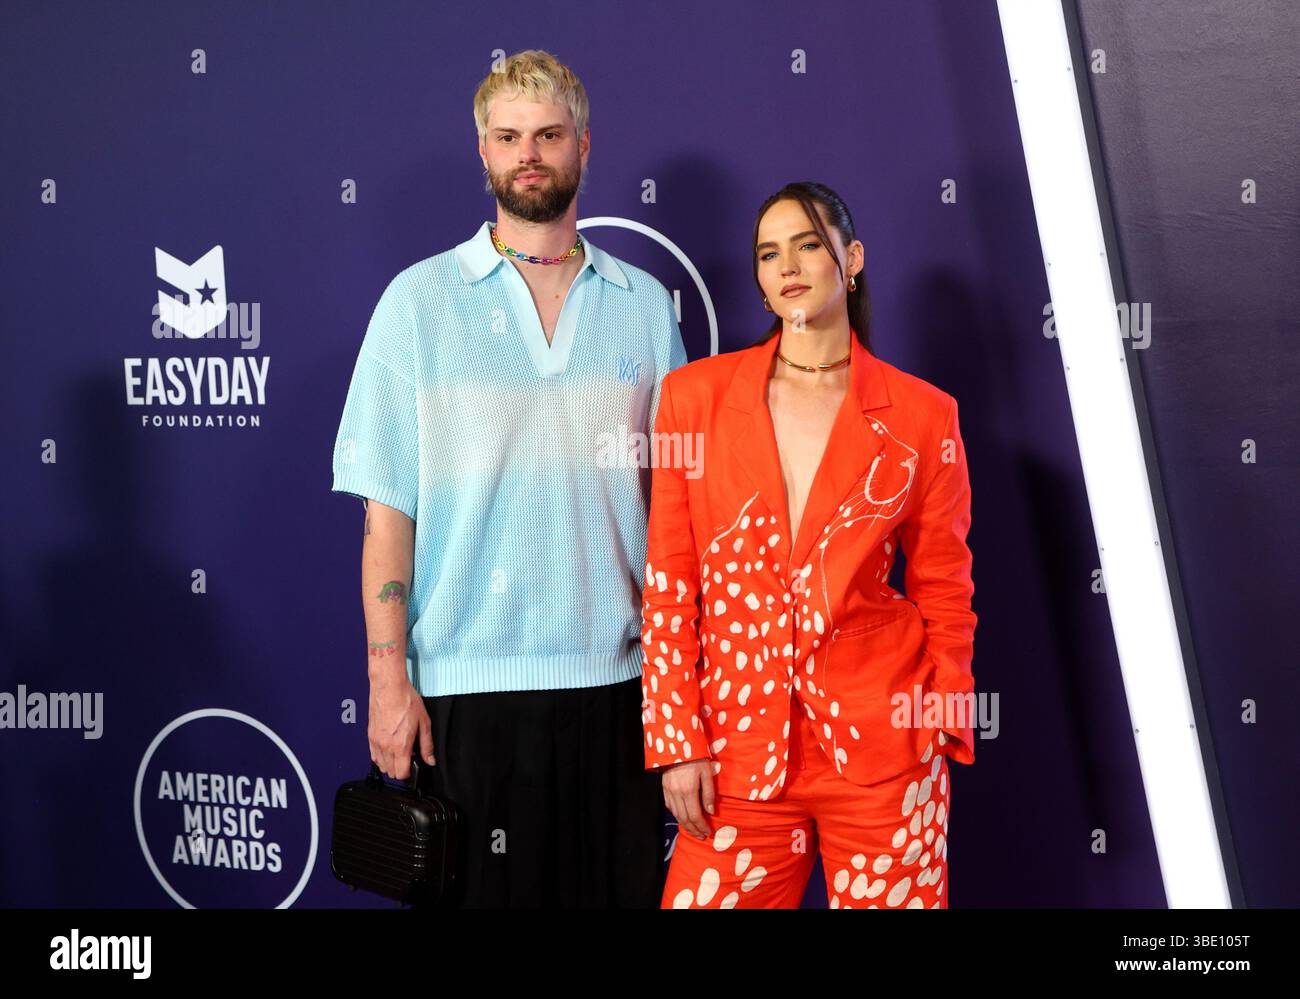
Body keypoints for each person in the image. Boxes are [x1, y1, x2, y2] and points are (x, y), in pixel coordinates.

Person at [332, 49, 687, 907]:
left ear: (584, 147)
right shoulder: (417, 304)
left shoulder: (643, 303)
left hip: (620, 690)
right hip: (466, 697)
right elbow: (387, 515)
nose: (529, 152)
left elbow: (674, 512)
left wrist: (682, 691)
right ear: (483, 153)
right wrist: (388, 682)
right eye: (509, 136)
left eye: (549, 135)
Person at [640, 181, 978, 908]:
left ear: (849, 259)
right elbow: (669, 581)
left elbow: (944, 585)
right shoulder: (691, 398)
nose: (787, 265)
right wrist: (676, 738)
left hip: (885, 750)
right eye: (769, 253)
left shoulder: (924, 414)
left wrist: (941, 721)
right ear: (760, 282)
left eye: (806, 245)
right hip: (734, 751)